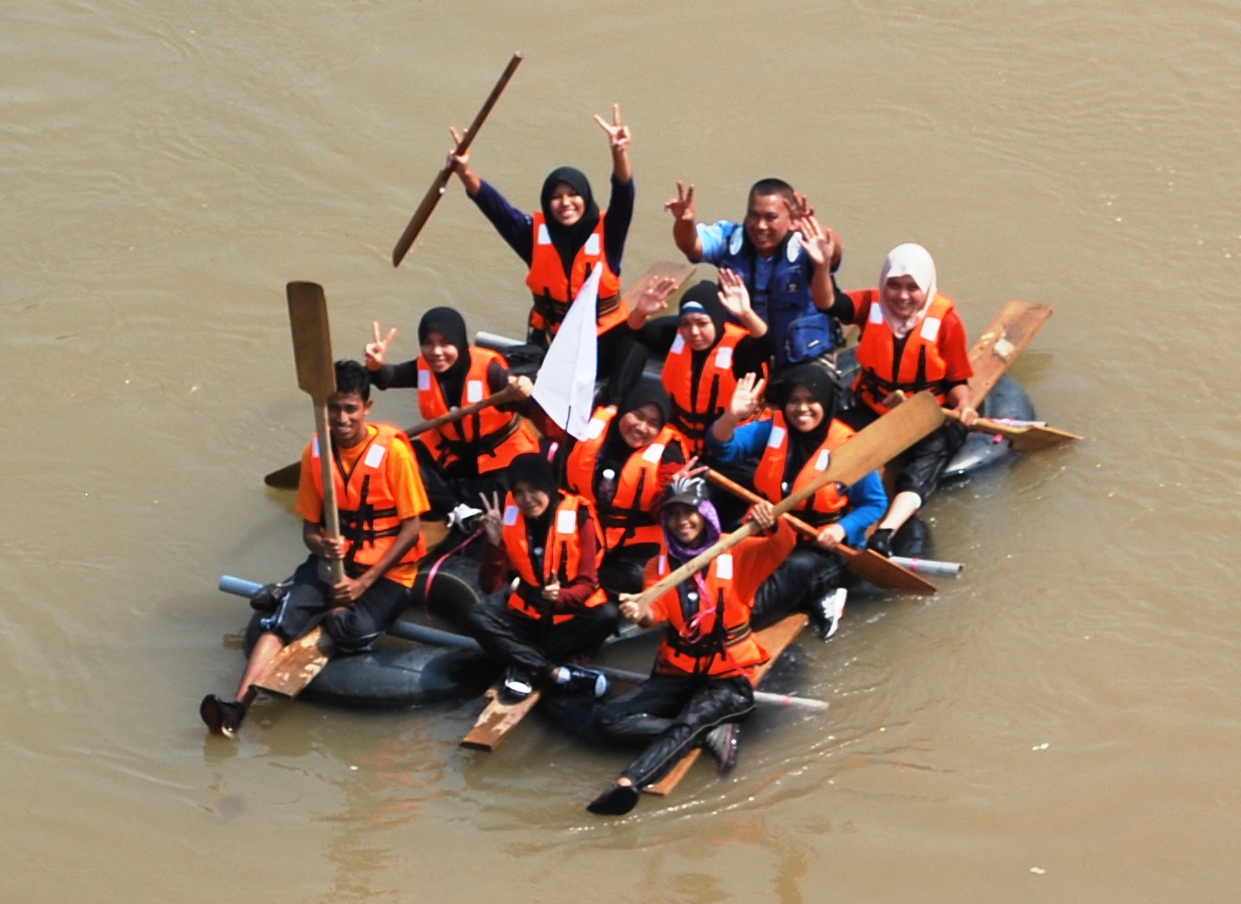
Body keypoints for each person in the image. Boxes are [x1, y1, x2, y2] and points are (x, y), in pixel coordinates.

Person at [200, 361, 429, 736]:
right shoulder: (317, 453)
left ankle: (317, 604)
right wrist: (322, 545)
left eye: (350, 408)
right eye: (334, 408)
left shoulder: (394, 455)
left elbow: (411, 529)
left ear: (366, 408)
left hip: (386, 573)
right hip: (332, 564)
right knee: (277, 626)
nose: (341, 418)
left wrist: (362, 584)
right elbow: (309, 529)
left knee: (352, 631)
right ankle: (236, 709)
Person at [586, 477, 796, 816]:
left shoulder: (737, 550)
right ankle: (700, 732)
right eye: (674, 514)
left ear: (706, 513)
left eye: (690, 511)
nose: (682, 521)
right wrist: (639, 612)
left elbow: (782, 546)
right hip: (679, 673)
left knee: (691, 718)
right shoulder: (661, 565)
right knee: (607, 719)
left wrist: (774, 521)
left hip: (729, 676)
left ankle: (630, 782)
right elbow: (655, 613)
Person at [447, 104, 639, 375]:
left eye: (573, 194)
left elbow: (624, 196)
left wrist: (619, 153)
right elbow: (498, 211)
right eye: (556, 197)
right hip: (552, 340)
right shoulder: (533, 236)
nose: (565, 203)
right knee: (501, 375)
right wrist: (465, 173)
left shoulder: (609, 233)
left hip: (602, 339)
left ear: (585, 197)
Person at [706, 365, 887, 636]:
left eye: (811, 400)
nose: (802, 408)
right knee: (720, 566)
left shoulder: (849, 446)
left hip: (821, 548)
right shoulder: (773, 429)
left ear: (826, 401)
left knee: (795, 569)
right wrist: (732, 416)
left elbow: (874, 503)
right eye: (794, 400)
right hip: (772, 536)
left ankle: (730, 623)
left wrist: (841, 529)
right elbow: (722, 448)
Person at [822, 242, 977, 554]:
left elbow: (958, 380)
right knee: (831, 438)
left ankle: (885, 532)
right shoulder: (871, 304)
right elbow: (830, 303)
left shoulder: (946, 322)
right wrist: (822, 266)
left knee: (925, 461)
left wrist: (965, 405)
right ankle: (826, 501)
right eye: (894, 286)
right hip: (873, 406)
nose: (902, 296)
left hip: (926, 417)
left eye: (912, 288)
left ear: (926, 288)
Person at [364, 307, 537, 523]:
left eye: (445, 343)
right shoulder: (424, 367)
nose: (436, 351)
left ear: (460, 342)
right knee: (399, 454)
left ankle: (443, 498)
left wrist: (525, 389)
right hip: (452, 455)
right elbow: (389, 377)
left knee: (507, 495)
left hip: (496, 458)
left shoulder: (489, 369)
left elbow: (532, 408)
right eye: (428, 343)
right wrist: (375, 367)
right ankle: (456, 508)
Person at [467, 453, 617, 700]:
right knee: (476, 615)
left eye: (534, 489)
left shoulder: (581, 515)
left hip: (571, 615)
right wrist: (494, 545)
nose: (527, 499)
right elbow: (489, 585)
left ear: (548, 485)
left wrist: (560, 597)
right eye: (519, 492)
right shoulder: (510, 516)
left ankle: (521, 661)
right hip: (529, 616)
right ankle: (553, 671)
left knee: (608, 615)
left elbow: (588, 582)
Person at [665, 177, 846, 371]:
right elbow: (692, 246)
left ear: (792, 219)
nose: (760, 225)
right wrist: (684, 222)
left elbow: (832, 250)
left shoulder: (808, 246)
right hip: (746, 349)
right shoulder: (729, 238)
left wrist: (812, 226)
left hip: (800, 356)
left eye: (770, 217)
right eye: (753, 215)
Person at [558, 382, 687, 598]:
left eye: (653, 423)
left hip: (634, 543)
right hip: (585, 528)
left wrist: (672, 494)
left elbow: (665, 514)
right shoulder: (591, 426)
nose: (642, 427)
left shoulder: (669, 454)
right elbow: (551, 433)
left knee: (635, 576)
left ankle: (584, 594)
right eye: (637, 415)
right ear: (624, 409)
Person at [626, 271, 772, 457]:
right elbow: (636, 332)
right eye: (685, 323)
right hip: (682, 439)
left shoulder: (742, 348)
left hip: (732, 441)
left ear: (717, 321)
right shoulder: (676, 336)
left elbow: (768, 346)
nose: (693, 331)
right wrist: (640, 312)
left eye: (702, 323)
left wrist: (746, 314)